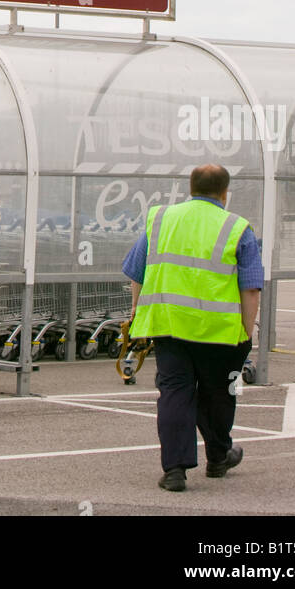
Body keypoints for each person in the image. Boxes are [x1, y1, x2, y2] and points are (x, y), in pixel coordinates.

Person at [122, 163, 263, 492]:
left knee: (174, 393)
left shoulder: (161, 219)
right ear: (225, 193)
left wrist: (136, 313)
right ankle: (218, 457)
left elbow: (136, 272)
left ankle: (174, 470)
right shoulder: (238, 228)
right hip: (220, 331)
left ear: (191, 187)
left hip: (168, 326)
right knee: (219, 394)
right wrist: (247, 331)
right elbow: (251, 287)